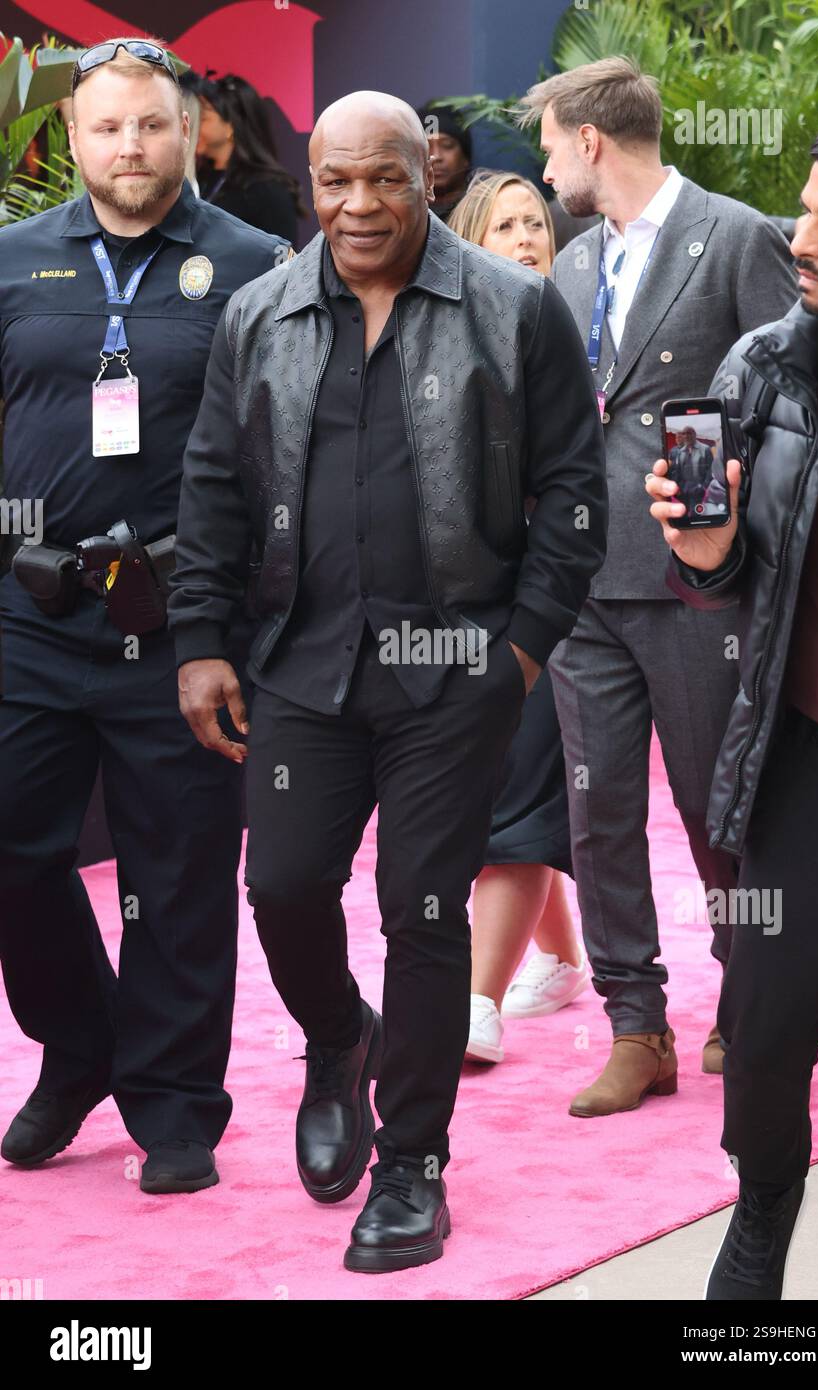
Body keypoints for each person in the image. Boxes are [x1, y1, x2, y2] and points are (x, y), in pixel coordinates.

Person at [167, 89, 607, 1272]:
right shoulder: (259, 312)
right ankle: (334, 1041)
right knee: (286, 890)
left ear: (428, 179)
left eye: (385, 180)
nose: (357, 205)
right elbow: (211, 486)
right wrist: (201, 640)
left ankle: (411, 1160)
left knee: (423, 911)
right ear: (310, 182)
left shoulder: (513, 311)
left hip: (454, 672)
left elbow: (572, 496)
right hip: (301, 665)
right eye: (334, 181)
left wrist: (516, 652)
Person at [0, 37, 289, 1195]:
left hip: (185, 626)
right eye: (108, 127)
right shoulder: (12, 263)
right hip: (28, 612)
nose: (130, 145)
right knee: (14, 852)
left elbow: (286, 455)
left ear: (189, 131)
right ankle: (81, 1049)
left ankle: (175, 1106)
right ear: (72, 139)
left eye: (151, 125)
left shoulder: (257, 265)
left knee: (178, 870)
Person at [515, 57, 798, 1116]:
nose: (542, 169)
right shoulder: (576, 262)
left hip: (697, 584)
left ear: (590, 139)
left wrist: (750, 537)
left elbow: (790, 389)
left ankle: (749, 992)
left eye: (549, 145)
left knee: (711, 803)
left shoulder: (732, 236)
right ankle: (636, 1025)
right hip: (581, 582)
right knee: (596, 814)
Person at [647, 108, 818, 1302]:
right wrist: (708, 546)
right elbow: (721, 570)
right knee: (766, 1030)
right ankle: (764, 1205)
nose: (803, 235)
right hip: (817, 758)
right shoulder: (768, 366)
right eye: (804, 207)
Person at [447, 172, 589, 1064]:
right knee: (504, 782)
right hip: (460, 597)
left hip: (558, 587)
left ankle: (474, 1003)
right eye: (505, 224)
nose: (528, 236)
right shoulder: (451, 329)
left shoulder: (576, 320)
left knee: (520, 781)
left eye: (537, 220)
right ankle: (566, 957)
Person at [192, 72, 305, 242]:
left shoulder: (267, 190)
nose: (192, 125)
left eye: (203, 118)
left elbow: (284, 260)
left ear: (231, 125)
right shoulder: (196, 179)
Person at [416, 101, 473, 221]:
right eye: (427, 147)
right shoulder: (406, 214)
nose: (436, 156)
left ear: (465, 157)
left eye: (447, 145)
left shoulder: (485, 207)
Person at [668, 426, 715, 515]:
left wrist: (704, 486)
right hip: (683, 490)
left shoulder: (705, 449)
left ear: (695, 434)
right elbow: (677, 471)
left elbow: (711, 470)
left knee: (696, 514)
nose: (686, 436)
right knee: (682, 514)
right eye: (684, 433)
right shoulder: (680, 451)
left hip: (698, 490)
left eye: (689, 433)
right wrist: (677, 486)